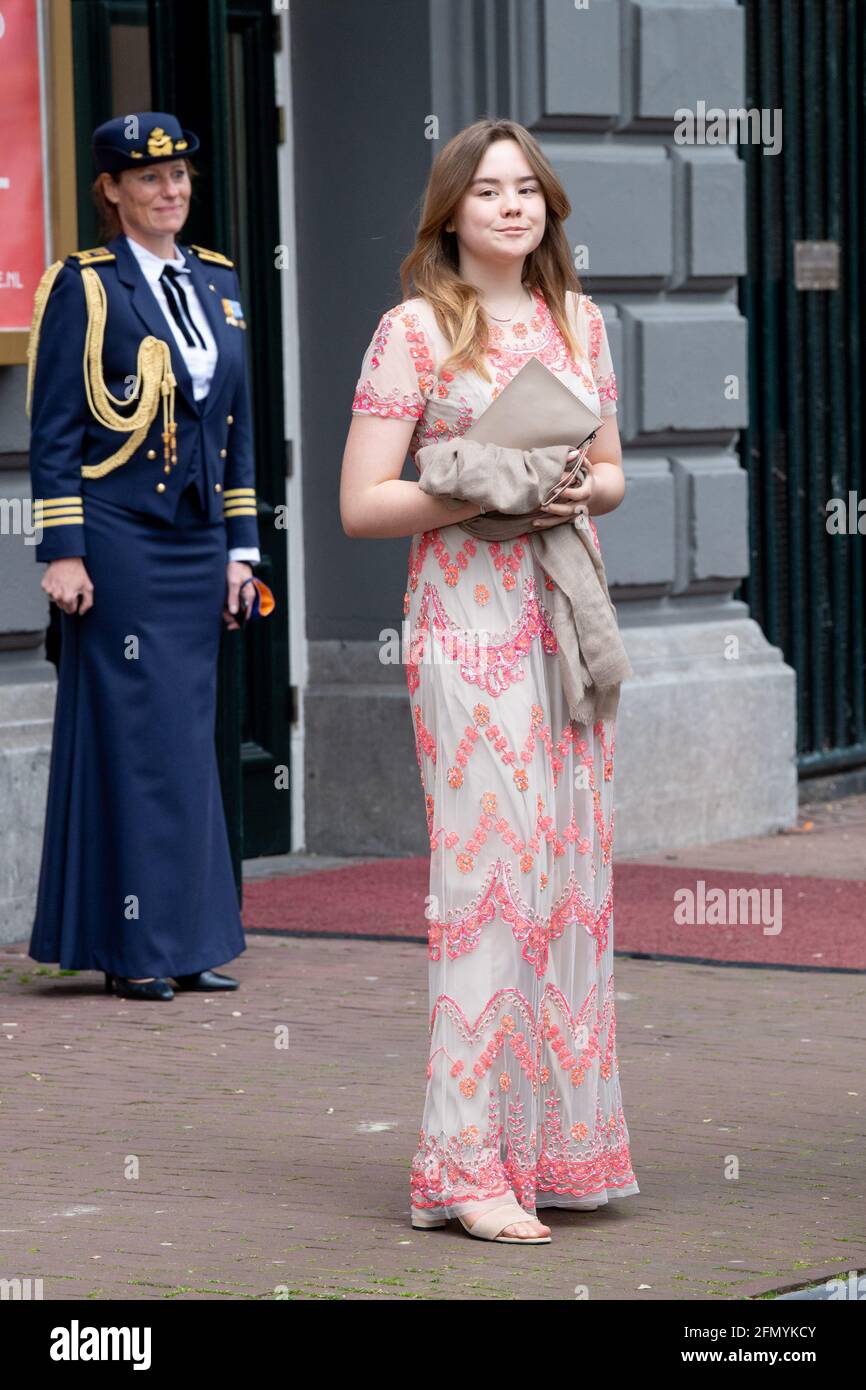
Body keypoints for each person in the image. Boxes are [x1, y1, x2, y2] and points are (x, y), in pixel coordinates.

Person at [341, 118, 639, 1244]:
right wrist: (483, 489)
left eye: (528, 191)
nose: (513, 207)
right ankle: (462, 1167)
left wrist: (572, 492)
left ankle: (554, 1148)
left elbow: (609, 467)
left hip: (561, 613)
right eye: (489, 190)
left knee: (565, 874)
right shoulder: (412, 332)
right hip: (463, 620)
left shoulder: (577, 318)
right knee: (490, 884)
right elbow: (363, 505)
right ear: (450, 212)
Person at [26, 111, 263, 1001]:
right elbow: (54, 431)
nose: (172, 191)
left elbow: (236, 429)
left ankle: (190, 938)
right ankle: (134, 948)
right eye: (151, 178)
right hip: (119, 535)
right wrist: (64, 551)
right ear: (113, 191)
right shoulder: (84, 286)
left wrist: (243, 551)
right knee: (135, 737)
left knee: (188, 739)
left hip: (199, 539)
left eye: (181, 177)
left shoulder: (219, 282)